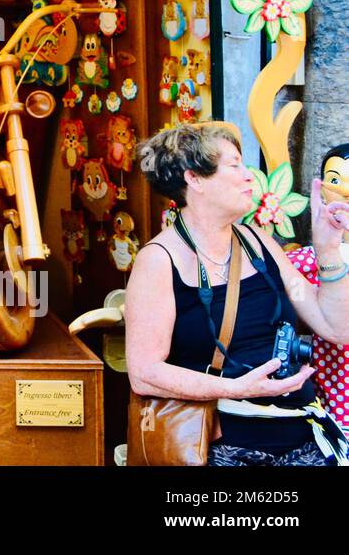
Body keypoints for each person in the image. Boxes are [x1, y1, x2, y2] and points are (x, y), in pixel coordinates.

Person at [127, 123, 349, 465]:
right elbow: (144, 372)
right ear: (195, 179)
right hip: (223, 448)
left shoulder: (259, 242)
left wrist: (328, 249)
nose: (250, 176)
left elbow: (336, 327)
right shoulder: (158, 260)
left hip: (303, 438)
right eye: (235, 166)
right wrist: (238, 388)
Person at [286, 143, 349, 431]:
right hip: (327, 410)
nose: (345, 190)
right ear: (321, 188)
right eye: (335, 179)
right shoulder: (302, 262)